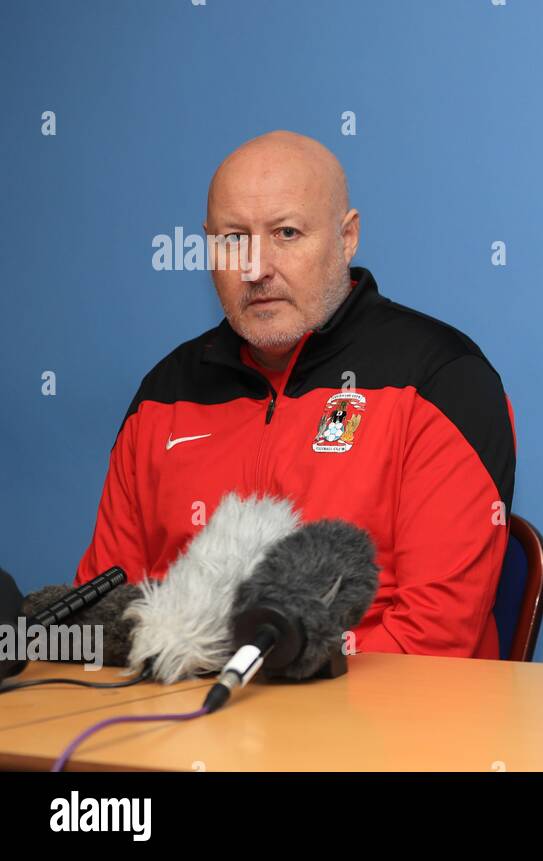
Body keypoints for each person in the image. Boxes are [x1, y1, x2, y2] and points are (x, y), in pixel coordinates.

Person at [77, 131, 516, 658]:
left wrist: (252, 693)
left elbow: (434, 640)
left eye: (286, 233)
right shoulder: (163, 395)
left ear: (347, 236)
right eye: (233, 239)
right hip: (179, 723)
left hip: (381, 729)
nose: (256, 269)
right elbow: (104, 608)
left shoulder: (442, 379)